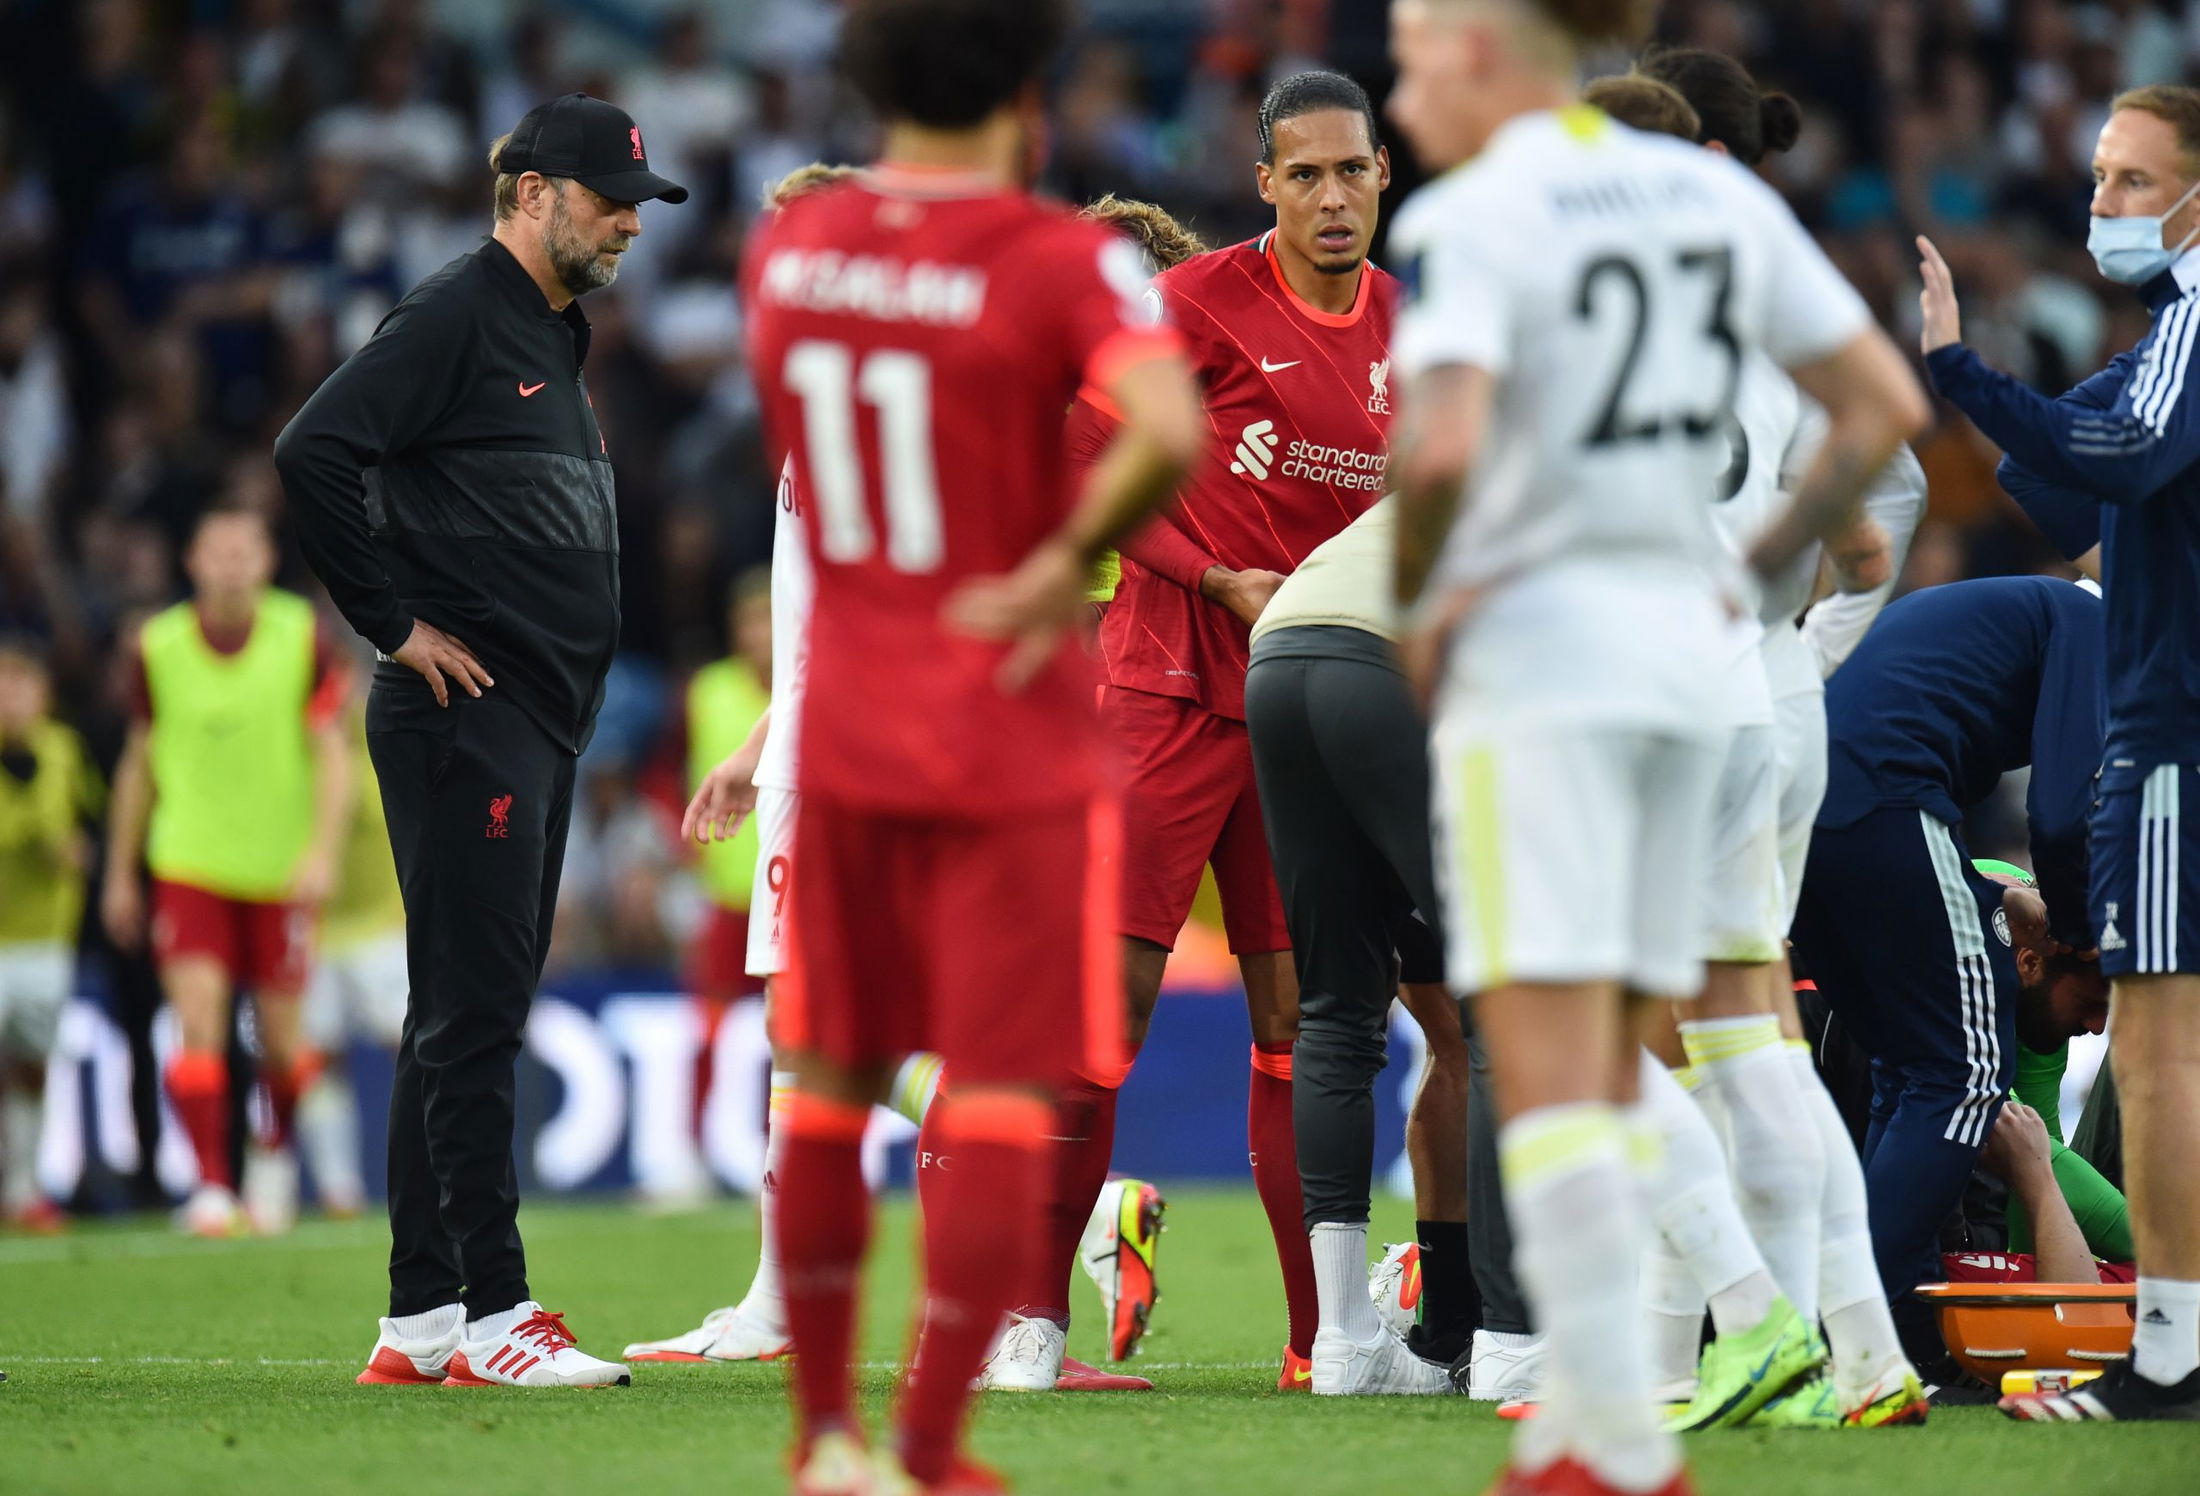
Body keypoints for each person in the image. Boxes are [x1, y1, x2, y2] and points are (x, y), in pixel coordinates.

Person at [1384, 3, 1929, 1493]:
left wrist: (1425, 593)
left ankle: (1610, 1432)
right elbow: (1881, 413)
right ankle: (1824, 1349)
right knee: (1733, 1029)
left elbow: (1436, 449)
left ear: (1498, 50)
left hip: (1547, 670)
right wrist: (1758, 565)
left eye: (1419, 50)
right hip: (1710, 675)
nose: (1403, 83)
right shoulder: (1713, 199)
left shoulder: (1485, 211)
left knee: (1566, 1048)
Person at [739, 0, 1203, 1484]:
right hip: (1008, 737)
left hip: (855, 717)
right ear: (1029, 98)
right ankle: (934, 1444)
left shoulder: (792, 256)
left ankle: (825, 1438)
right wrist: (1056, 556)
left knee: (823, 1077)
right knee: (998, 1087)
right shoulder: (1068, 259)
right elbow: (1166, 430)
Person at [275, 92, 689, 1389]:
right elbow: (313, 451)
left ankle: (420, 1320)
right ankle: (499, 1316)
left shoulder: (552, 331)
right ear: (525, 191)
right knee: (472, 1016)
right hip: (471, 714)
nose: (629, 218)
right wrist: (394, 624)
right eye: (608, 195)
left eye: (637, 200)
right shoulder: (457, 311)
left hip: (530, 717)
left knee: (460, 1010)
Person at [1023, 65, 1401, 1396]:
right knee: (1103, 1005)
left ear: (1382, 174)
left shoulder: (1407, 331)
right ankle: (1027, 1332)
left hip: (1317, 711)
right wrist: (1212, 578)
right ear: (1264, 186)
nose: (1332, 196)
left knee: (1301, 1016)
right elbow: (1081, 459)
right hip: (1174, 686)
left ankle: (1323, 1338)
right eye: (1304, 173)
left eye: (1351, 170)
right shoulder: (1194, 305)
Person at [1630, 43, 1930, 1431]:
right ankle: (1849, 1352)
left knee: (1612, 1034)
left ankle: (1741, 1331)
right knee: (1750, 1035)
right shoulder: (1779, 301)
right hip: (1769, 695)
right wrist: (1796, 636)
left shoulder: (1636, 313)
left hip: (1664, 699)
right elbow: (1871, 533)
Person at [1918, 81, 2200, 1423]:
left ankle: (2172, 1351)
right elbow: (2065, 478)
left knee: (2161, 1053)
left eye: (2135, 181)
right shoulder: (2166, 335)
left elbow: (2122, 453)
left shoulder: (2193, 325)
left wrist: (1961, 372)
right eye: (2096, 177)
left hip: (2177, 729)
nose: (2102, 206)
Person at [1790, 576, 2109, 1373]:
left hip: (1801, 805)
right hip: (1882, 794)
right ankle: (1849, 1337)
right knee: (1965, 1074)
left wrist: (2001, 894)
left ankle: (1893, 1336)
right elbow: (2064, 817)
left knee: (1910, 1072)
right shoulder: (2091, 624)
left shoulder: (2024, 616)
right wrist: (2082, 924)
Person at [1240, 497, 1474, 1395]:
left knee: (1341, 1011)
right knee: (1505, 1009)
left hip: (1284, 647)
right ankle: (1513, 1337)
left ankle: (1344, 1341)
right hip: (1392, 669)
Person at [101, 507, 351, 1239]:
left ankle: (271, 1161)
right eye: (220, 551)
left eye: (247, 550)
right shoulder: (158, 645)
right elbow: (139, 762)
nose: (234, 564)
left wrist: (321, 852)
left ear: (268, 560)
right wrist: (122, 871)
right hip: (190, 861)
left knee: (281, 1043)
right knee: (199, 1021)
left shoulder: (302, 636)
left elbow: (332, 752)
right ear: (193, 561)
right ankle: (211, 1185)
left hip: (280, 867)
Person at [294, 697, 410, 1218]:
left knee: (412, 1052)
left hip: (379, 929)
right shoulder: (295, 757)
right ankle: (338, 1188)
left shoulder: (375, 750)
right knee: (318, 1058)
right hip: (314, 931)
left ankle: (432, 1178)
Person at [0, 637, 100, 1232]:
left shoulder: (65, 750)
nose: (12, 699)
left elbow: (90, 819)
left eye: (23, 686)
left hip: (45, 938)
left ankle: (23, 1189)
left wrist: (82, 852)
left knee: (34, 1066)